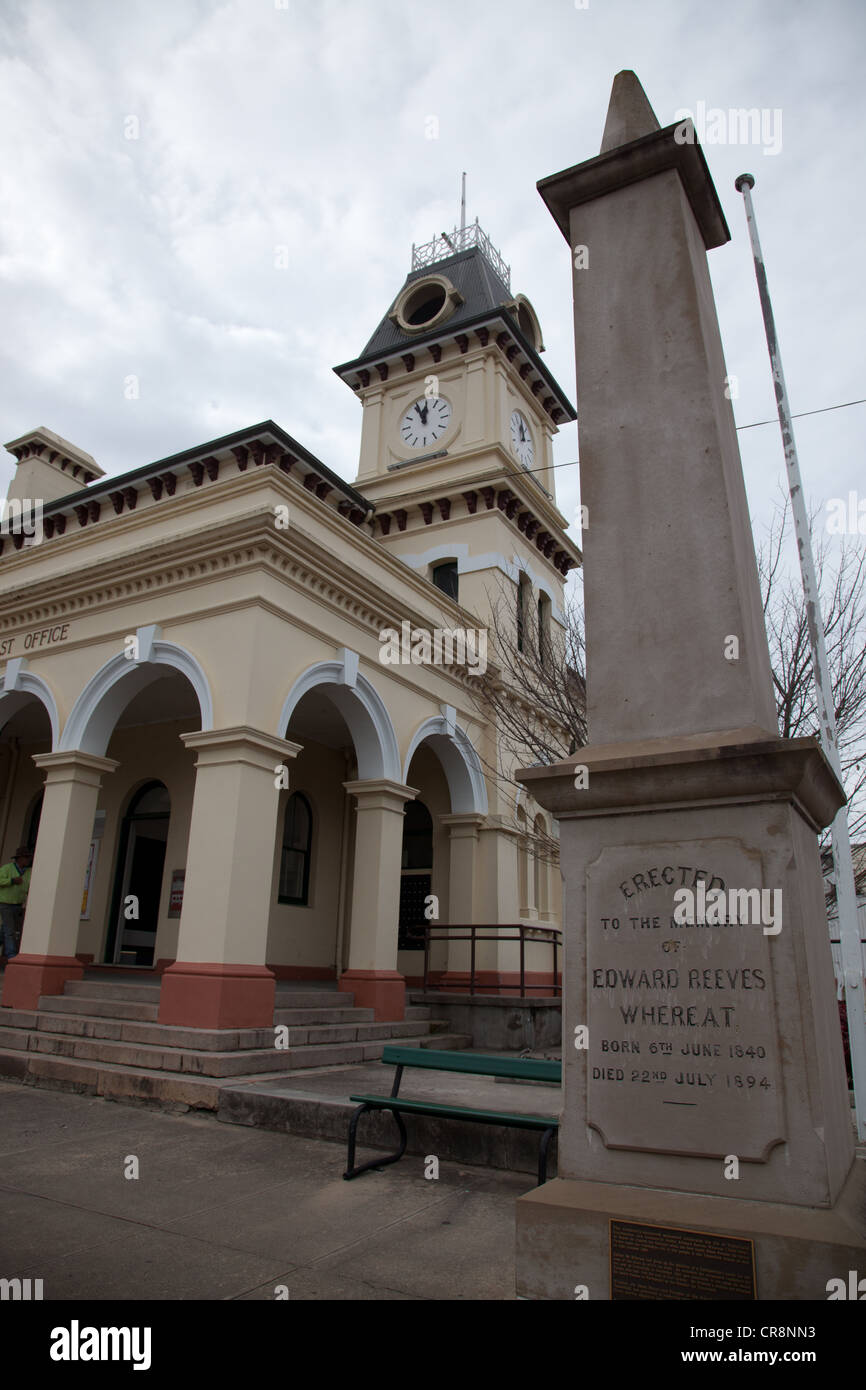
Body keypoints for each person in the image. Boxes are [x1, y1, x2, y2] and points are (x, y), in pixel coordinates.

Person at [0, 846, 33, 962]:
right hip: (5, 903)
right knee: (10, 931)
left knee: (6, 929)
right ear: (19, 858)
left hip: (18, 904)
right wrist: (12, 881)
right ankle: (11, 956)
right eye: (26, 858)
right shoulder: (7, 868)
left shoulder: (29, 872)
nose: (28, 860)